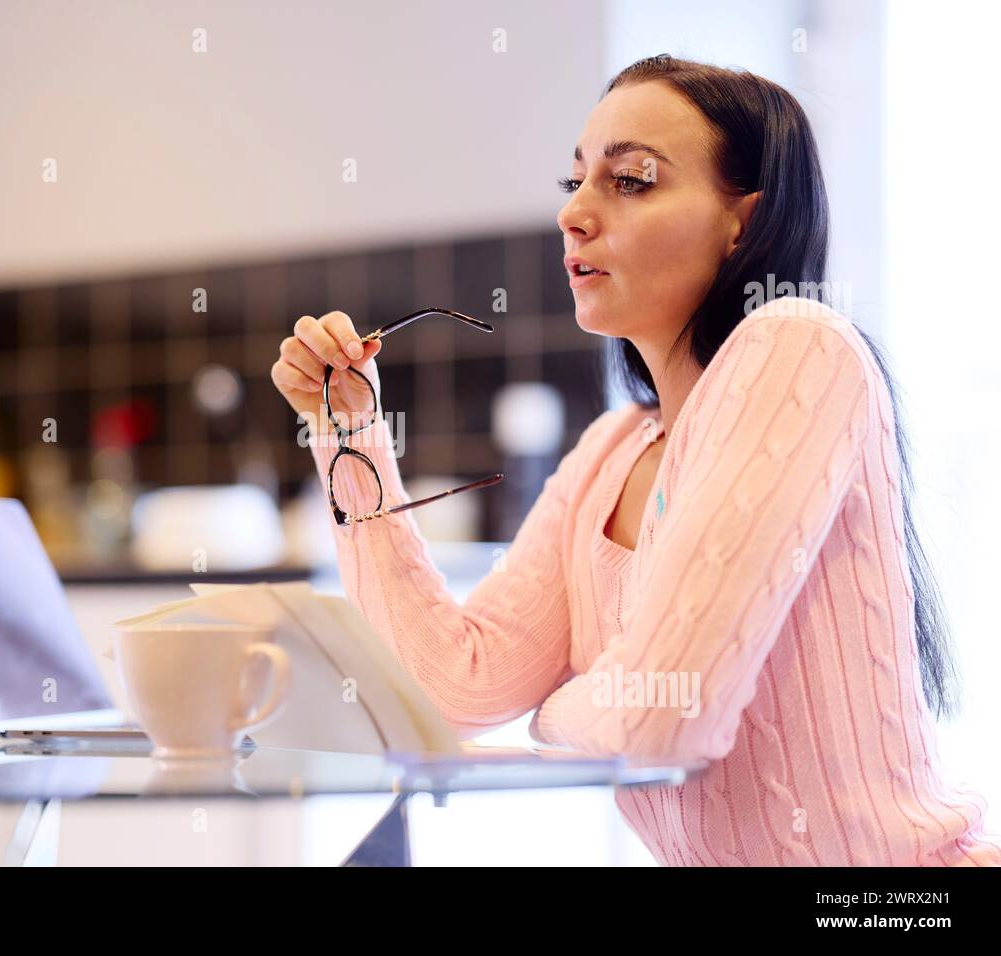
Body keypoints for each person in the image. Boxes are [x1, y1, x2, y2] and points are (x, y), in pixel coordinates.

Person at [269, 54, 1000, 866]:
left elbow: (662, 718)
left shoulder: (799, 344)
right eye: (574, 182)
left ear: (745, 224)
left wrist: (552, 710)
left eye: (631, 181)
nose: (573, 215)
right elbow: (455, 686)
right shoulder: (610, 451)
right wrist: (349, 433)